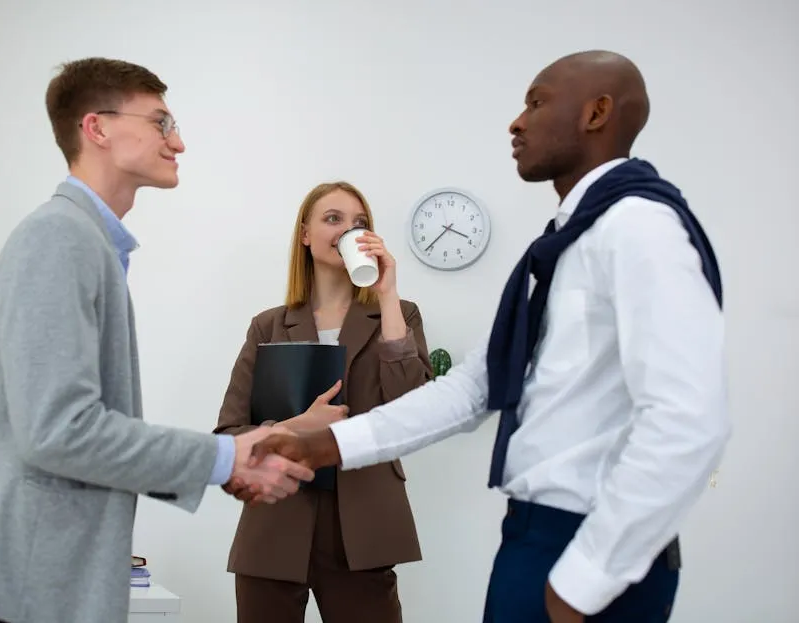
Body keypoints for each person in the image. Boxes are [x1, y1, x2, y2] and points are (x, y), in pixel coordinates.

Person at [244, 51, 731, 623]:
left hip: (588, 543)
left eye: (537, 102)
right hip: (534, 534)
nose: (516, 121)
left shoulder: (638, 228)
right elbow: (474, 388)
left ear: (596, 114)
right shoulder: (566, 242)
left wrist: (586, 578)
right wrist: (324, 444)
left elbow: (689, 419)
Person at [0, 57, 332, 623]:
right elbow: (59, 430)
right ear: (97, 127)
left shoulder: (88, 243)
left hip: (46, 575)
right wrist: (225, 457)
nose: (178, 142)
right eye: (160, 122)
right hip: (30, 579)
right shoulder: (58, 238)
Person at [214, 181, 433, 623]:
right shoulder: (268, 326)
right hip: (275, 522)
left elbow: (414, 410)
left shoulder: (400, 314)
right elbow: (229, 433)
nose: (347, 231)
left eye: (360, 223)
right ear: (306, 235)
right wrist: (297, 427)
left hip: (364, 523)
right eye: (333, 219)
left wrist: (387, 293)